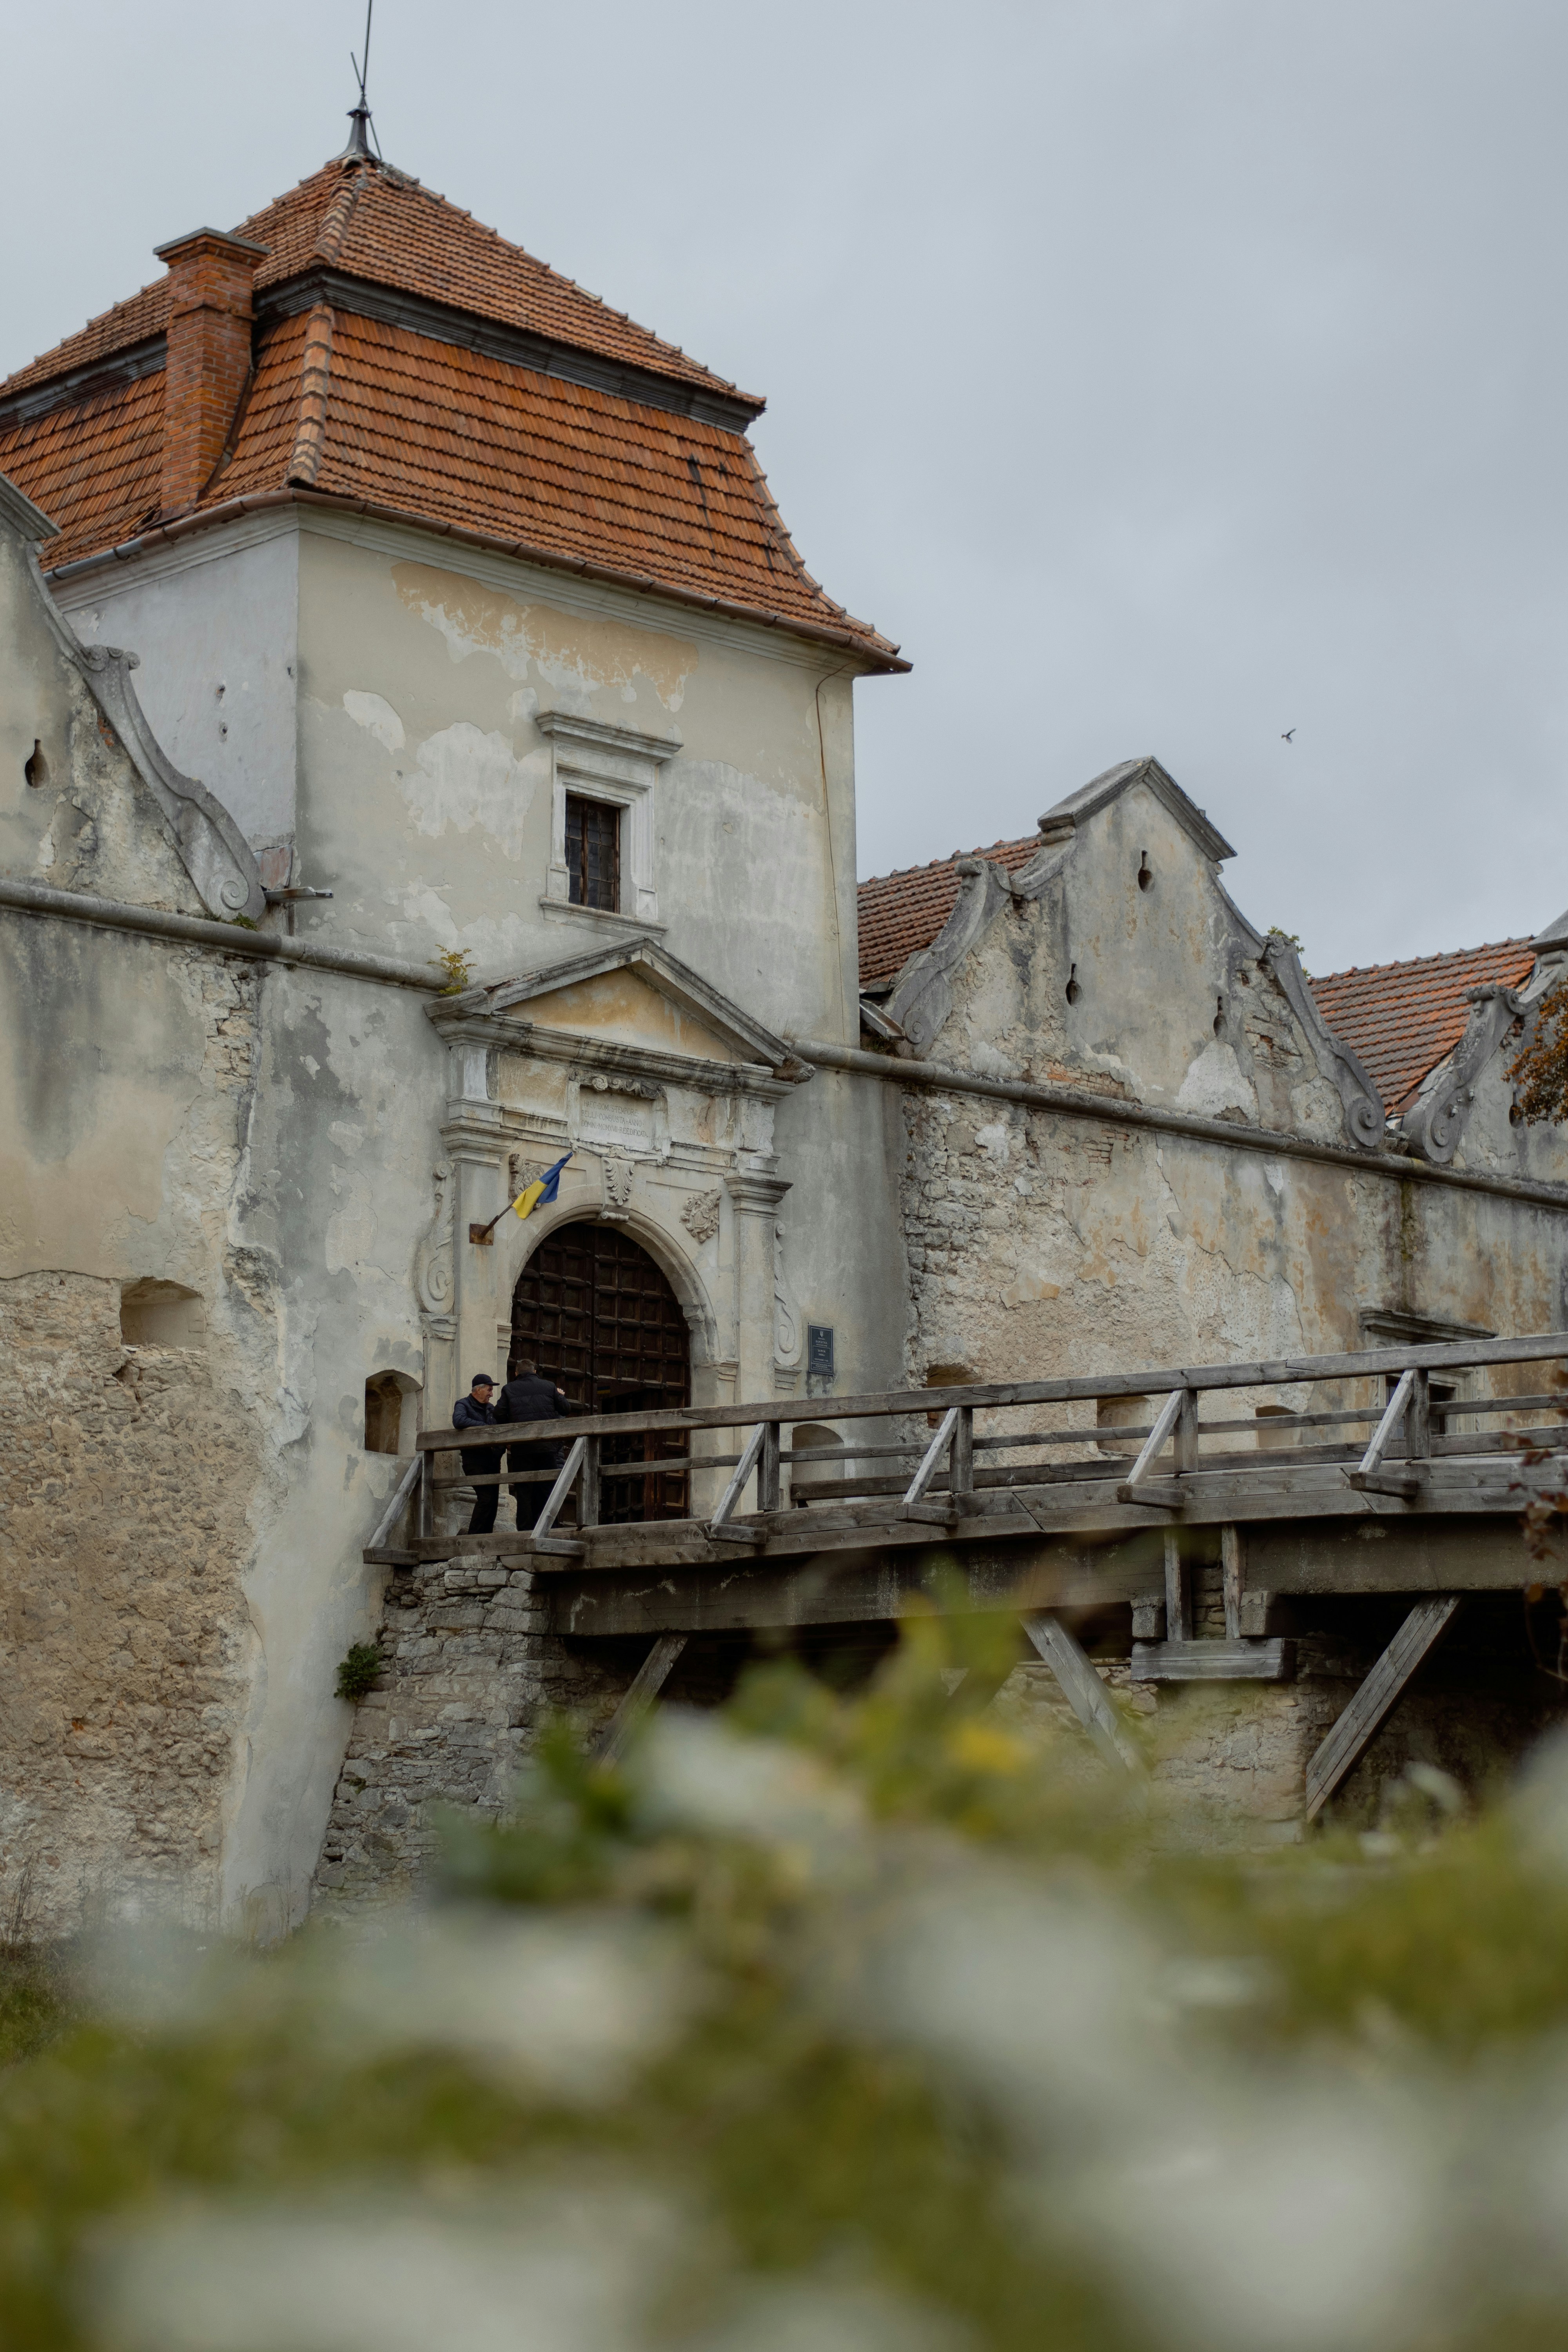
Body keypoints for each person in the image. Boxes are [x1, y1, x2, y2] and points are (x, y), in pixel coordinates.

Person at [494, 1357, 573, 1531]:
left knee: (524, 1492)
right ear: (535, 1372)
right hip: (548, 1449)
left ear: (516, 1374)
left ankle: (525, 1532)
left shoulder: (509, 1389)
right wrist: (559, 1396)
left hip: (522, 1450)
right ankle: (549, 1530)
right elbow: (566, 1409)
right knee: (546, 1491)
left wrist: (512, 1430)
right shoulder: (549, 1386)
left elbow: (499, 1413)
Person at [452, 1373, 502, 1535]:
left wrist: (498, 1453)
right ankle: (474, 1536)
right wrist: (483, 1427)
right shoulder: (463, 1404)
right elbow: (459, 1421)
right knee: (486, 1498)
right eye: (489, 1390)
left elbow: (498, 1428)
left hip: (492, 1460)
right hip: (474, 1461)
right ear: (478, 1390)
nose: (492, 1394)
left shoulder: (491, 1408)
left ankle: (485, 1536)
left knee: (493, 1501)